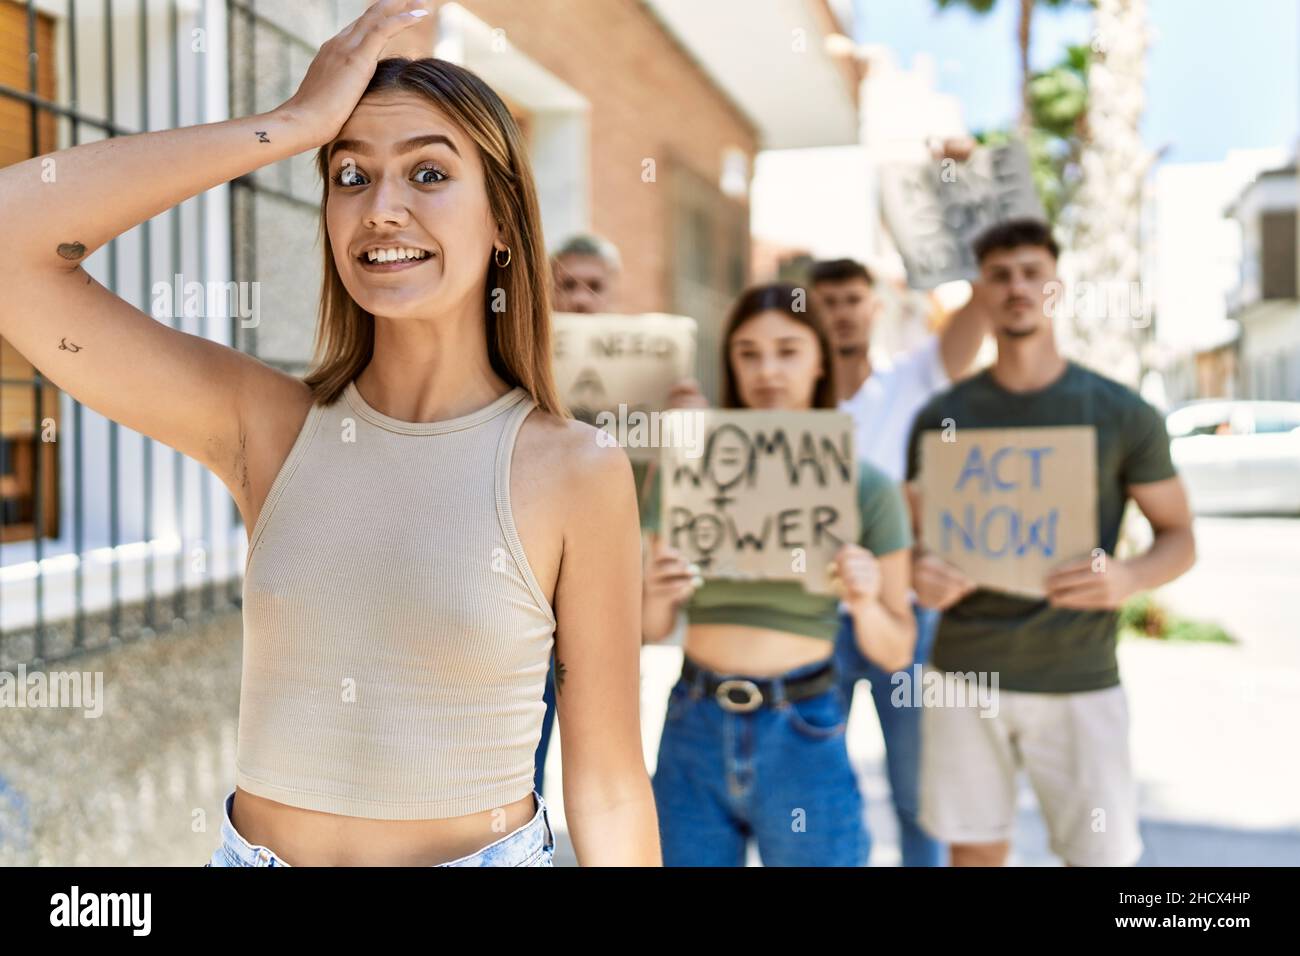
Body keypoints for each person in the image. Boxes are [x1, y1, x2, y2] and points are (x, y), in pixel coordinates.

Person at [0, 0, 660, 866]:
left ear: (503, 221)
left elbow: (608, 782)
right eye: (351, 176)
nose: (382, 208)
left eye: (428, 174)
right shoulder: (265, 425)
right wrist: (291, 125)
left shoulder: (576, 468)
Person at [904, 217, 1197, 867]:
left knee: (1098, 857)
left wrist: (1129, 577)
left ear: (1057, 287)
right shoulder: (942, 415)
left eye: (1032, 273)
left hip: (1079, 675)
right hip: (964, 672)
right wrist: (916, 573)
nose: (1017, 288)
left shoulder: (1120, 412)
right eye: (999, 275)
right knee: (974, 854)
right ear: (979, 292)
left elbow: (1180, 536)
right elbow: (907, 541)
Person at [640, 282, 917, 866]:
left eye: (788, 350)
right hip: (693, 720)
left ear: (820, 358)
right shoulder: (687, 472)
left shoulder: (867, 487)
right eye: (748, 352)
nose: (767, 369)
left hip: (804, 730)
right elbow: (646, 625)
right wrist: (655, 590)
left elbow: (896, 650)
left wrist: (866, 602)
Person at [810, 257, 988, 866]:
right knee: (816, 788)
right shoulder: (792, 407)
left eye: (852, 299)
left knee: (917, 794)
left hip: (903, 615)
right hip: (816, 619)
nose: (841, 313)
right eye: (827, 301)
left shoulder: (912, 380)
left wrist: (959, 184)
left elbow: (981, 305)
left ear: (875, 306)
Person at [531, 230, 625, 800]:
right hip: (533, 597)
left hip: (608, 598)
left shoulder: (654, 382)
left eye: (595, 287)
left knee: (605, 768)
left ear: (614, 296)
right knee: (524, 765)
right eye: (567, 285)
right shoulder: (516, 368)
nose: (582, 299)